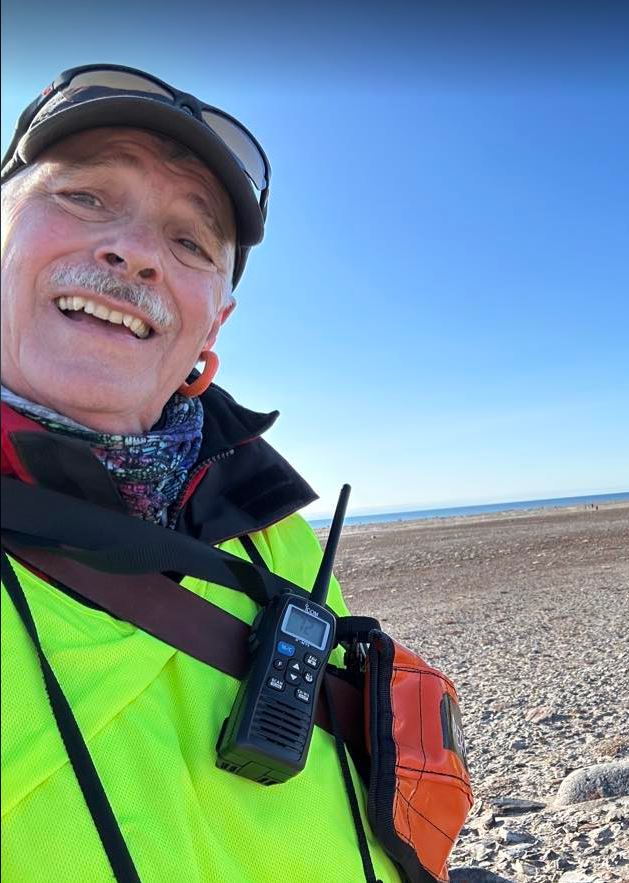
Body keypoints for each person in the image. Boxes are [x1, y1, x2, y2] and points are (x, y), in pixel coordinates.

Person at [0, 65, 405, 881]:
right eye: (83, 197)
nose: (138, 253)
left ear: (214, 317)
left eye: (190, 241)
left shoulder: (275, 532)